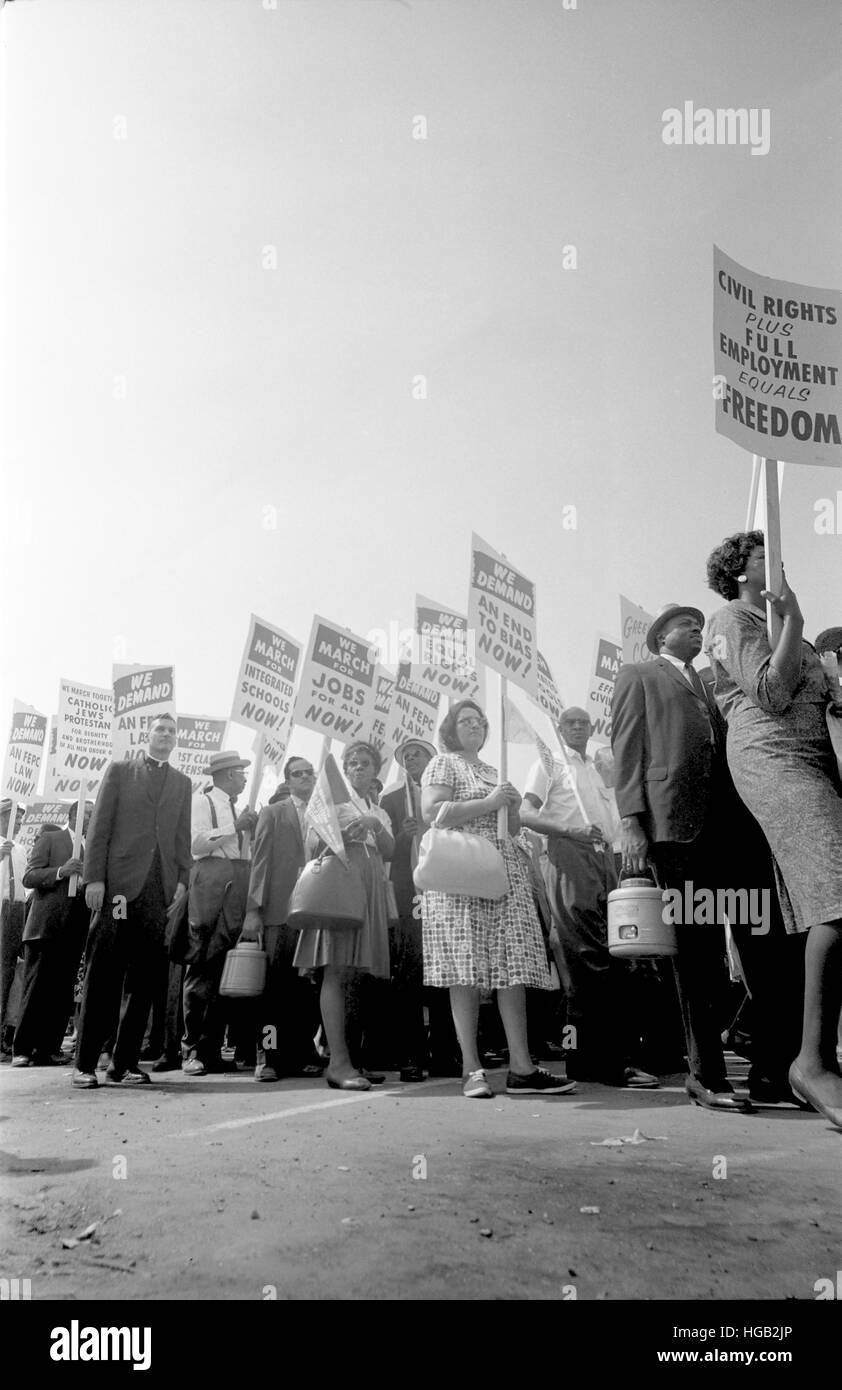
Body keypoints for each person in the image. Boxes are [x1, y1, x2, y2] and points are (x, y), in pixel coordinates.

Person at [705, 534, 842, 1128]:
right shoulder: (732, 617)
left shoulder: (791, 629)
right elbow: (769, 689)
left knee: (823, 904)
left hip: (817, 762)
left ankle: (800, 1053)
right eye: (766, 555)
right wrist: (795, 619)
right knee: (837, 900)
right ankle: (811, 1063)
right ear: (739, 573)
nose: (778, 560)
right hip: (775, 760)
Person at [611, 604, 753, 1113]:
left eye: (699, 625)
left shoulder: (711, 684)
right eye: (685, 624)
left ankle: (747, 1061)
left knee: (723, 954)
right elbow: (626, 747)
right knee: (695, 953)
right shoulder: (639, 675)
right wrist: (632, 821)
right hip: (674, 829)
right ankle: (706, 1074)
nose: (697, 630)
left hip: (723, 829)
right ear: (661, 636)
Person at [419, 699, 575, 1099]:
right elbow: (433, 812)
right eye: (465, 721)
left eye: (479, 720)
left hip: (504, 872)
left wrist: (512, 812)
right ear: (451, 729)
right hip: (462, 873)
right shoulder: (443, 763)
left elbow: (513, 822)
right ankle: (471, 1068)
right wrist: (490, 802)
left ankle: (521, 1066)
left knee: (512, 965)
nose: (474, 725)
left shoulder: (491, 770)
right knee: (465, 967)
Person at [520, 708, 658, 1089]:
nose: (579, 728)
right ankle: (596, 1061)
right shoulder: (548, 764)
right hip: (568, 853)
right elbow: (525, 813)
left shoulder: (594, 769)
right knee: (585, 960)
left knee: (612, 958)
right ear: (559, 729)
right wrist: (570, 829)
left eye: (584, 722)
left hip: (603, 857)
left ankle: (595, 1060)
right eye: (571, 723)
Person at [73, 713, 192, 1089]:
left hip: (158, 893)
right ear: (148, 734)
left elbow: (181, 838)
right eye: (160, 729)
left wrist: (183, 882)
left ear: (176, 740)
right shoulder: (121, 771)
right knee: (104, 974)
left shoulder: (182, 782)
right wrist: (94, 879)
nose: (166, 735)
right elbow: (99, 828)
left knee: (144, 983)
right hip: (119, 891)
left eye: (172, 732)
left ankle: (123, 1064)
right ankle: (85, 1064)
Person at [292, 742, 394, 1091]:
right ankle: (337, 1061)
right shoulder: (331, 797)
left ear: (375, 770)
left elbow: (392, 848)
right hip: (342, 880)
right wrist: (339, 833)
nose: (358, 768)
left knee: (355, 975)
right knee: (335, 970)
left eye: (365, 763)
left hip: (369, 883)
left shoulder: (376, 808)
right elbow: (310, 842)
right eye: (352, 763)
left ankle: (352, 1058)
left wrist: (373, 825)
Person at [241, 754, 323, 1081]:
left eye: (309, 772)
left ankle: (302, 1053)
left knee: (306, 990)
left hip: (314, 911)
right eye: (297, 774)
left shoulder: (324, 815)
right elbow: (259, 863)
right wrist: (253, 910)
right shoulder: (273, 813)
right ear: (288, 781)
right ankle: (267, 1057)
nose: (305, 777)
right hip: (278, 912)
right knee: (274, 989)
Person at [181, 751, 257, 1076]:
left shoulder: (234, 807)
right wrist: (234, 827)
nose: (244, 778)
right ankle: (192, 1050)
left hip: (233, 887)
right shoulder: (204, 801)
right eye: (241, 773)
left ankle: (211, 1048)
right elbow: (196, 844)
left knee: (224, 969)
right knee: (202, 968)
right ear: (227, 774)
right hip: (210, 887)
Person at [13, 801, 93, 1065]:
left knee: (61, 992)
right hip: (46, 927)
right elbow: (30, 876)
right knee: (37, 989)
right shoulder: (51, 839)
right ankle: (23, 1049)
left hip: (74, 928)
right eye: (87, 814)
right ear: (74, 815)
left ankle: (49, 1048)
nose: (91, 820)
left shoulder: (90, 847)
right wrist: (61, 872)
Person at [381, 738, 438, 1082]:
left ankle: (447, 1051)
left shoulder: (445, 793)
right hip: (408, 893)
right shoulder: (389, 800)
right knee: (411, 971)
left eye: (418, 753)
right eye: (407, 756)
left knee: (447, 971)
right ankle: (411, 1056)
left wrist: (430, 829)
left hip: (442, 888)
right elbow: (387, 850)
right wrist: (404, 837)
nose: (412, 758)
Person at [0, 801, 29, 1057]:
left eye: (20, 819)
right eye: (12, 819)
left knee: (12, 971)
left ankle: (7, 1033)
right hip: (0, 907)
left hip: (17, 910)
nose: (18, 824)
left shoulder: (21, 849)